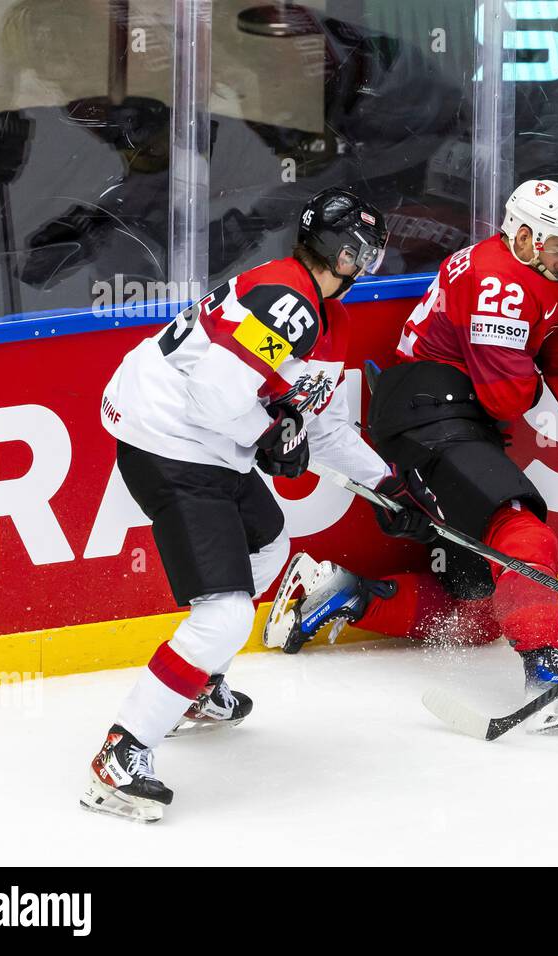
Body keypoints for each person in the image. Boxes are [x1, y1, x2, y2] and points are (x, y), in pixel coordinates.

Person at [82, 187, 421, 822]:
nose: (367, 259)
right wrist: (268, 436)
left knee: (270, 544)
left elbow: (317, 423)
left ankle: (196, 685)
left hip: (206, 441)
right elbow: (218, 395)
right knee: (225, 616)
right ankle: (119, 755)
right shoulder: (289, 299)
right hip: (170, 441)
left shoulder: (325, 316)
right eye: (359, 248)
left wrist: (387, 483)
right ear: (336, 248)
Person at [275, 179, 558, 733]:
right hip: (430, 414)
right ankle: (548, 673)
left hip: (451, 417)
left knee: (477, 606)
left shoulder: (544, 275)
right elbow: (508, 396)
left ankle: (352, 597)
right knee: (522, 530)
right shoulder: (498, 284)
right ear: (523, 236)